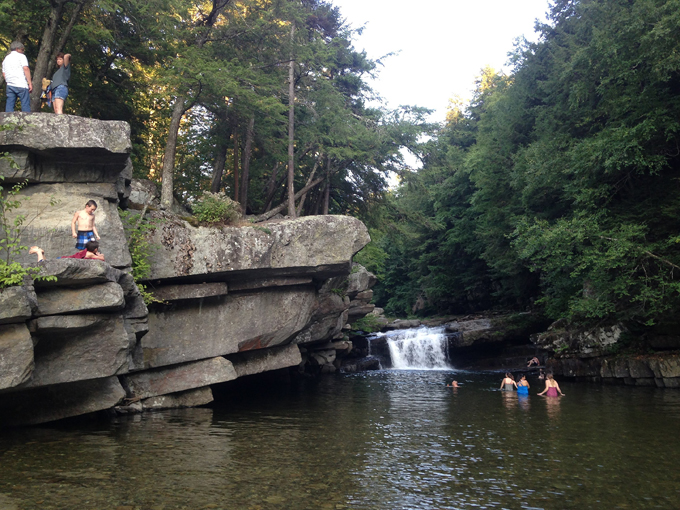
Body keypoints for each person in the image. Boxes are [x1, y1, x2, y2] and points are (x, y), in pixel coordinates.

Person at [2, 41, 32, 112]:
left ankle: (8, 121)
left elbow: (4, 72)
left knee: (10, 104)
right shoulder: (21, 56)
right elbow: (26, 69)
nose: (23, 51)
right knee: (25, 104)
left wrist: (8, 80)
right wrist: (30, 83)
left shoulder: (6, 58)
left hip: (10, 84)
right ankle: (26, 121)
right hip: (21, 84)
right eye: (22, 49)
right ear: (17, 49)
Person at [29, 241, 105, 262]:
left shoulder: (86, 251)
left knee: (46, 264)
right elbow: (102, 258)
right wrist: (99, 255)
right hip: (63, 261)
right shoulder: (90, 254)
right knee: (42, 265)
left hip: (62, 259)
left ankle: (42, 253)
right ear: (95, 249)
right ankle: (38, 252)